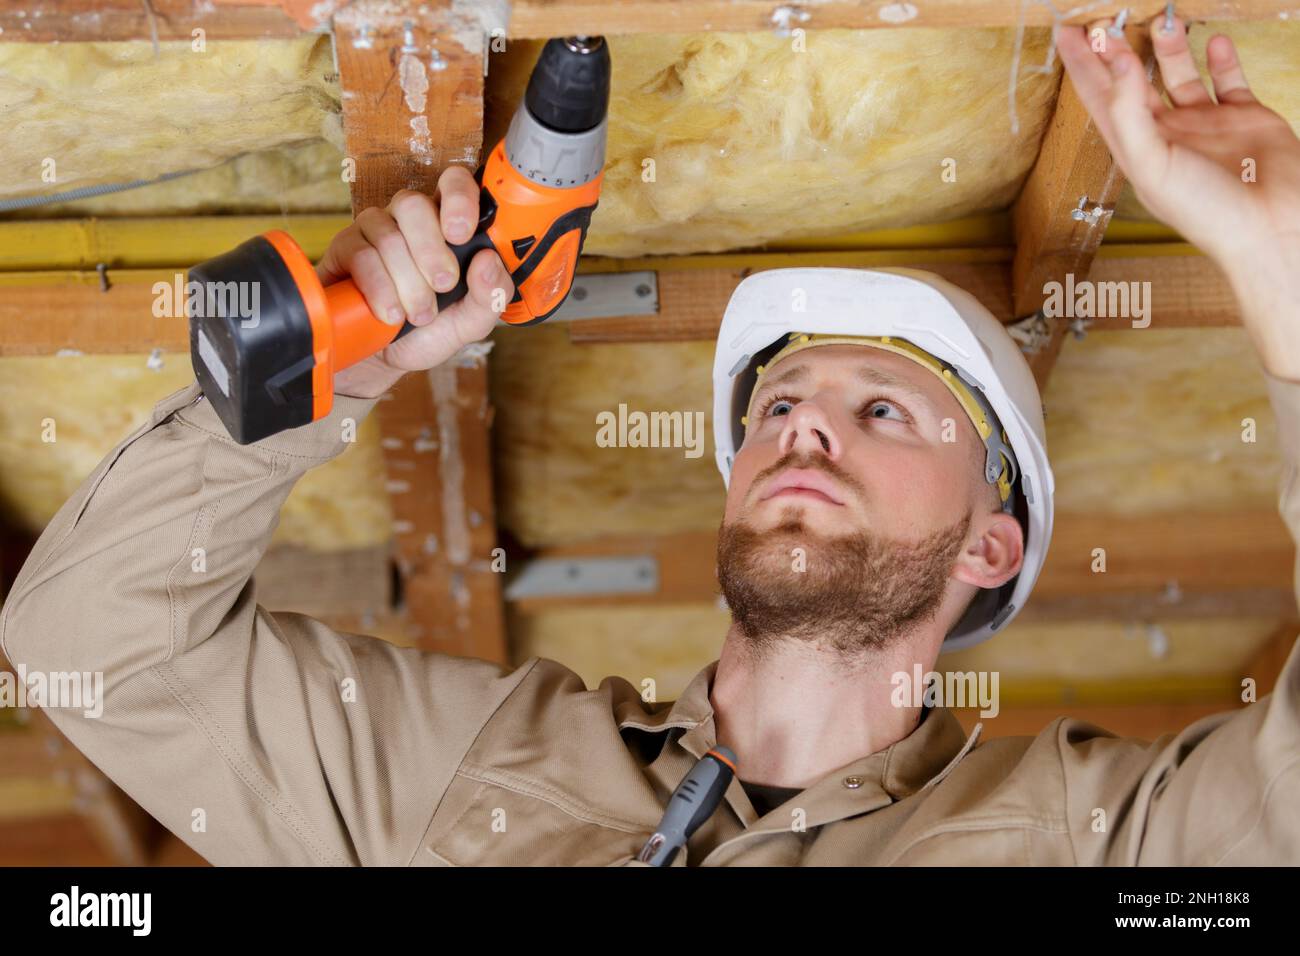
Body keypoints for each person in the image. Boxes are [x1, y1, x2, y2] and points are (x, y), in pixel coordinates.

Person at [2, 14, 1297, 865]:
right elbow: (90, 657)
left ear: (989, 540)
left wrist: (1282, 276)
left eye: (881, 410)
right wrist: (330, 379)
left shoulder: (1090, 844)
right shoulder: (466, 772)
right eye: (779, 410)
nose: (802, 437)